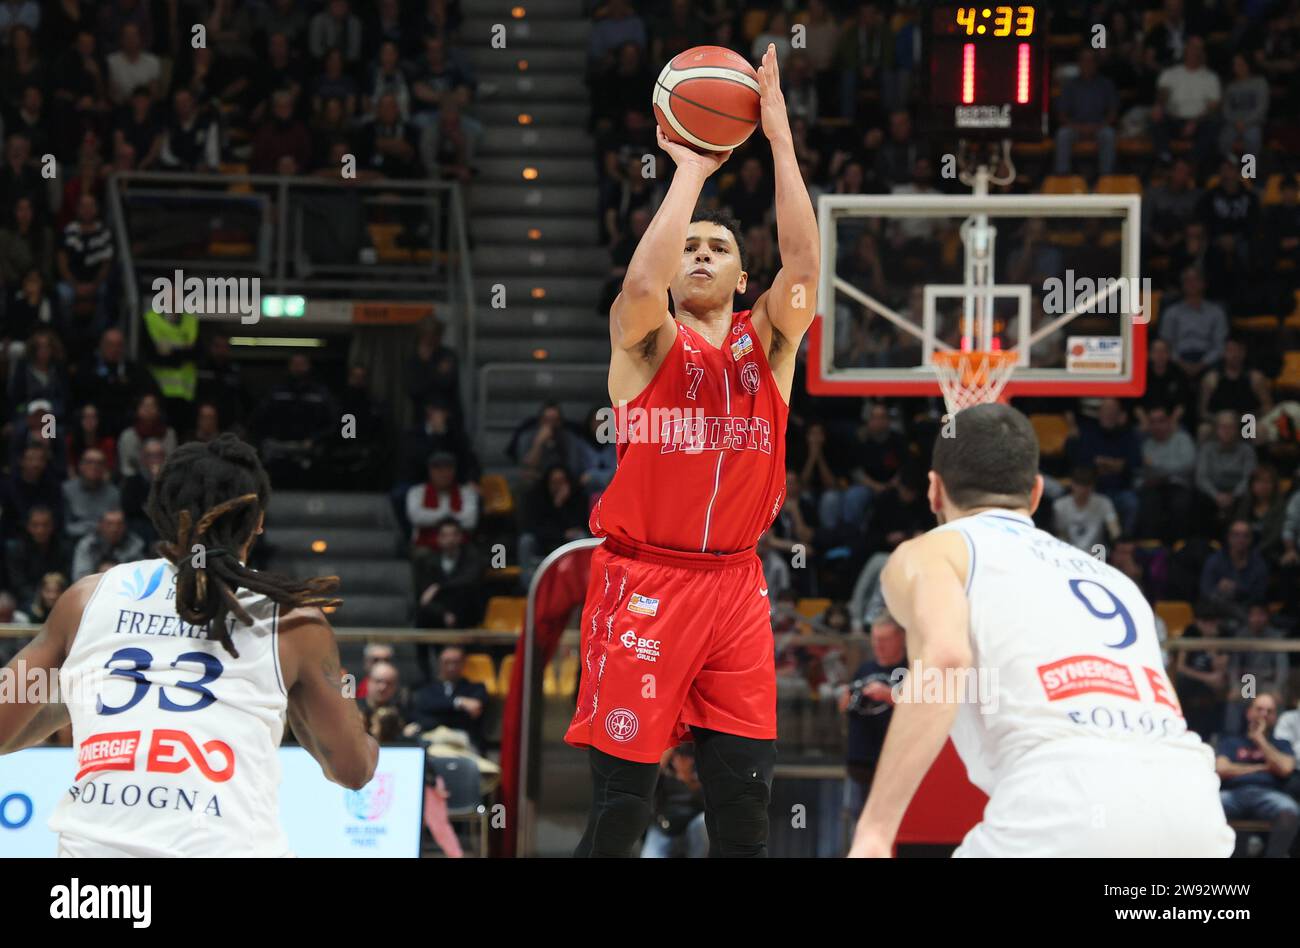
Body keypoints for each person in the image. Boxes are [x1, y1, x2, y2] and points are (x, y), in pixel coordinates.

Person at [566, 46, 820, 858]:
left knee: (745, 809)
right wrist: (691, 172)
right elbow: (640, 288)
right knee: (620, 811)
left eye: (719, 247)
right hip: (644, 581)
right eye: (690, 248)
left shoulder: (770, 344)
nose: (702, 254)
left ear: (747, 279)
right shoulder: (643, 345)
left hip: (736, 588)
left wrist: (779, 140)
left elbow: (807, 267)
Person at [848, 403, 1234, 857]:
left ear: (934, 491)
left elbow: (945, 662)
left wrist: (873, 834)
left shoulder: (934, 551)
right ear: (1034, 494)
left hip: (1063, 799)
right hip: (1192, 806)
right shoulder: (1115, 581)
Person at [0, 434, 378, 856]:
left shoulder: (87, 598)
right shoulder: (293, 622)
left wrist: (94, 689)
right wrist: (333, 695)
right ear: (258, 521)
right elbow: (353, 769)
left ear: (158, 511)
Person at [839, 612, 908, 852]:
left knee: (893, 823)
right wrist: (846, 699)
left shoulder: (911, 669)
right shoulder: (865, 668)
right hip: (860, 761)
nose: (878, 645)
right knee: (857, 819)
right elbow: (846, 705)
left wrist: (888, 695)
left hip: (894, 765)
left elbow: (925, 706)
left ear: (901, 638)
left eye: (885, 639)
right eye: (875, 639)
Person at [1216, 693, 1298, 858]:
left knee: (1291, 811)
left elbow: (1286, 768)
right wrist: (1261, 767)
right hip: (1233, 793)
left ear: (1275, 717)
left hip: (1268, 795)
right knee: (1208, 805)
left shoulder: (1282, 744)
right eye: (1259, 709)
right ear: (1249, 713)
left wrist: (1260, 739)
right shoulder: (1231, 741)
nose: (1264, 715)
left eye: (1269, 711)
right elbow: (1221, 769)